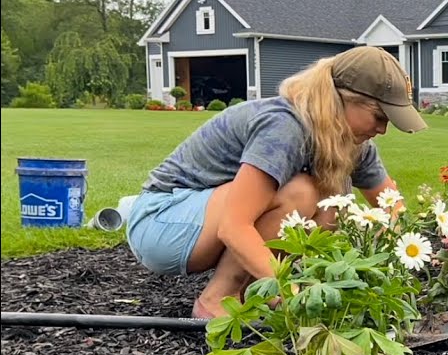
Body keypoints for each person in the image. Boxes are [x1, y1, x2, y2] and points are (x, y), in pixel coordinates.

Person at [125, 46, 426, 319]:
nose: (383, 130)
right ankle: (218, 300)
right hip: (161, 223)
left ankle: (252, 296)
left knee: (333, 199)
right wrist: (290, 295)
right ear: (342, 99)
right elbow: (234, 225)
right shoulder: (284, 127)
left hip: (201, 221)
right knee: (304, 193)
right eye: (379, 116)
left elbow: (392, 210)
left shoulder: (352, 142)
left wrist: (417, 268)